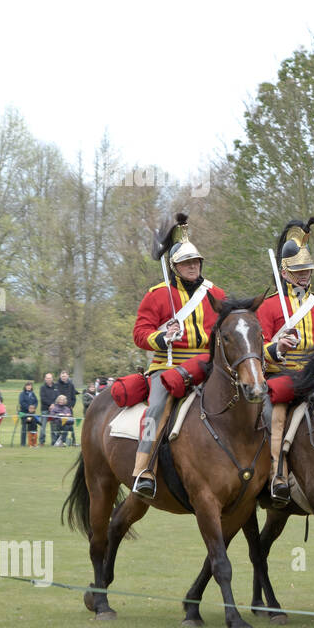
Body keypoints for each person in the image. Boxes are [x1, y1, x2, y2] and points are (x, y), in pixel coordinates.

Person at [130, 212, 227, 498]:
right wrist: (163, 336)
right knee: (157, 407)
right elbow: (139, 334)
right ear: (174, 266)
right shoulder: (158, 295)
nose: (192, 266)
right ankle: (143, 468)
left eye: (196, 261)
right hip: (167, 365)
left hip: (209, 365)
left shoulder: (217, 293)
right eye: (186, 262)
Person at [258, 218, 314, 506]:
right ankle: (278, 473)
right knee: (274, 413)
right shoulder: (268, 306)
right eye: (298, 270)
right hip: (281, 376)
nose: (304, 275)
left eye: (307, 270)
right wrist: (276, 346)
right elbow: (257, 347)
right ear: (284, 272)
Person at [19, 380, 41, 448]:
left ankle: (32, 443)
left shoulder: (33, 394)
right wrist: (29, 408)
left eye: (30, 386)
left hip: (32, 414)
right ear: (25, 387)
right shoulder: (22, 394)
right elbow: (21, 402)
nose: (29, 387)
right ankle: (23, 443)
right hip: (24, 413)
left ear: (31, 387)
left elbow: (36, 401)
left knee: (32, 427)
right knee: (24, 427)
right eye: (27, 386)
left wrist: (33, 408)